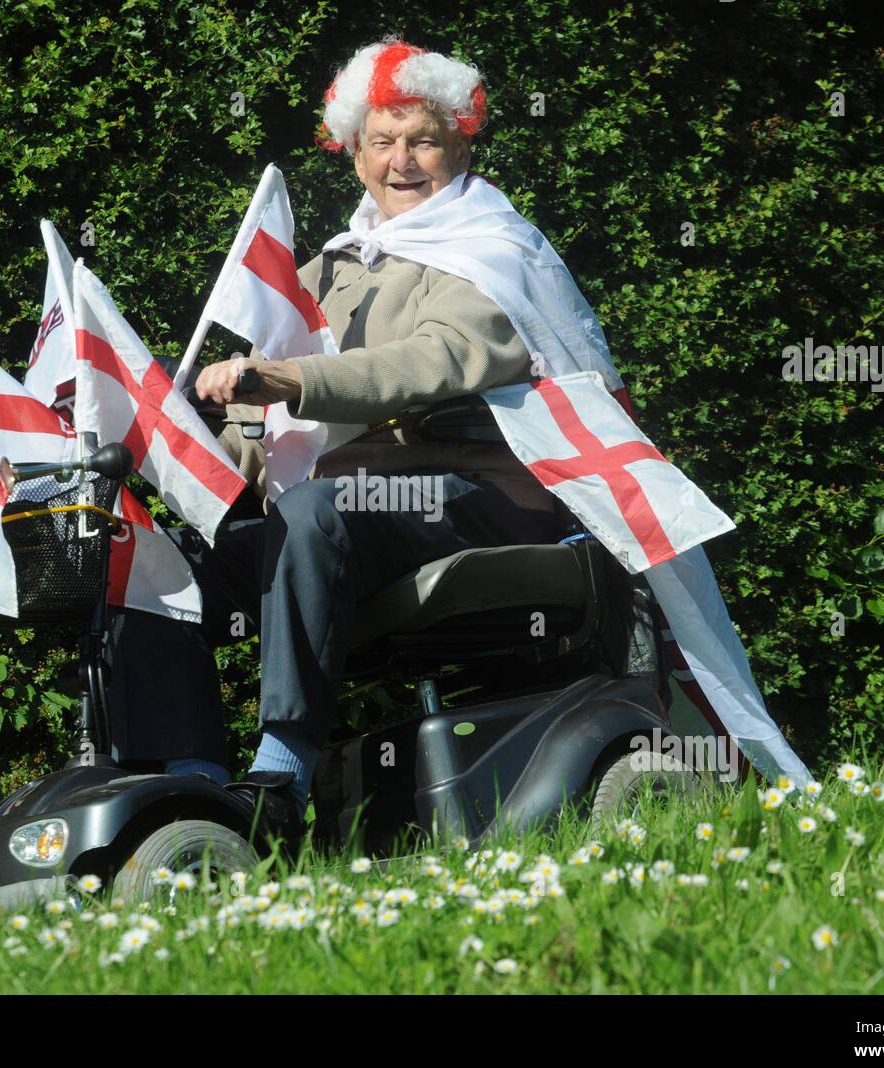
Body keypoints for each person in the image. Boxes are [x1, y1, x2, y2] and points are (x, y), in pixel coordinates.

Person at [106, 38, 586, 849]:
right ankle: (190, 788)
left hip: (480, 494)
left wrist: (289, 376)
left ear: (462, 144)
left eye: (424, 139)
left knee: (317, 510)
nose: (402, 160)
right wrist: (178, 422)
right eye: (381, 141)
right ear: (354, 154)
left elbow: (434, 360)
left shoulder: (493, 250)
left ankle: (284, 767)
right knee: (156, 565)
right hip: (352, 507)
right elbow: (276, 441)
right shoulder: (332, 267)